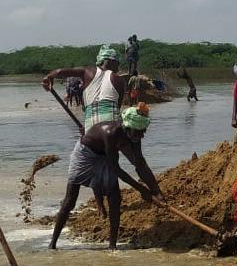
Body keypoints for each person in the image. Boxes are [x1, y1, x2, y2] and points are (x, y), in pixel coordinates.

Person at [48, 103, 166, 250]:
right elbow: (116, 169)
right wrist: (142, 190)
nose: (141, 135)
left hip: (105, 157)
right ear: (126, 127)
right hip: (85, 155)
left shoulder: (134, 136)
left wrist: (156, 191)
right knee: (70, 200)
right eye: (138, 132)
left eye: (143, 132)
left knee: (115, 198)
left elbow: (140, 164)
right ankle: (52, 244)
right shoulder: (110, 133)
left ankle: (112, 246)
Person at [42, 45, 126, 130]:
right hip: (112, 124)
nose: (118, 68)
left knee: (83, 142)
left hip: (91, 125)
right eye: (117, 63)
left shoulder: (87, 71)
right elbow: (117, 108)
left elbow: (59, 71)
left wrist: (48, 77)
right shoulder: (119, 79)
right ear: (109, 61)